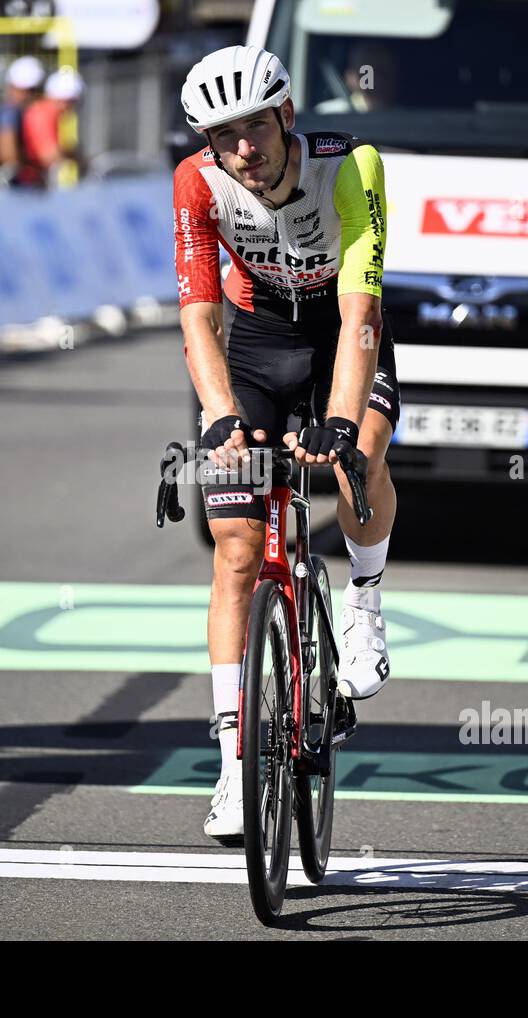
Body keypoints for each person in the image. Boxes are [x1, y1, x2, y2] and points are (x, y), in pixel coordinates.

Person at [174, 45, 399, 838]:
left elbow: (363, 312)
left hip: (342, 329)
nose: (244, 148)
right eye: (223, 135)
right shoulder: (196, 183)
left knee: (358, 462)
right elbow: (199, 314)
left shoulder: (351, 167)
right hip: (260, 341)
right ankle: (234, 765)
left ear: (287, 118)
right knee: (235, 544)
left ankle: (364, 601)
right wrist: (218, 414)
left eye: (257, 128)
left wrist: (339, 422)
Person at [20, 67, 84, 187]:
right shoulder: (42, 113)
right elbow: (48, 156)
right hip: (29, 187)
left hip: (34, 186)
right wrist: (74, 157)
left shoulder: (43, 113)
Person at [0, 55, 43, 185]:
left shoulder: (16, 112)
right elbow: (8, 158)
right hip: (9, 188)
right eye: (29, 90)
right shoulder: (8, 113)